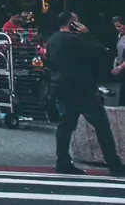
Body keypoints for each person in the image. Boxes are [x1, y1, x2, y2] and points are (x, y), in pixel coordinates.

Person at [48, 11, 125, 175]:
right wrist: (87, 34)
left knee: (65, 126)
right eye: (77, 21)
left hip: (60, 86)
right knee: (102, 126)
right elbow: (99, 53)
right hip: (81, 88)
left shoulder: (52, 40)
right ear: (72, 24)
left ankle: (62, 161)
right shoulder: (77, 40)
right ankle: (114, 164)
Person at [112, 15, 125, 107]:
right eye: (116, 26)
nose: (118, 28)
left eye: (120, 26)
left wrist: (120, 67)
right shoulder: (120, 35)